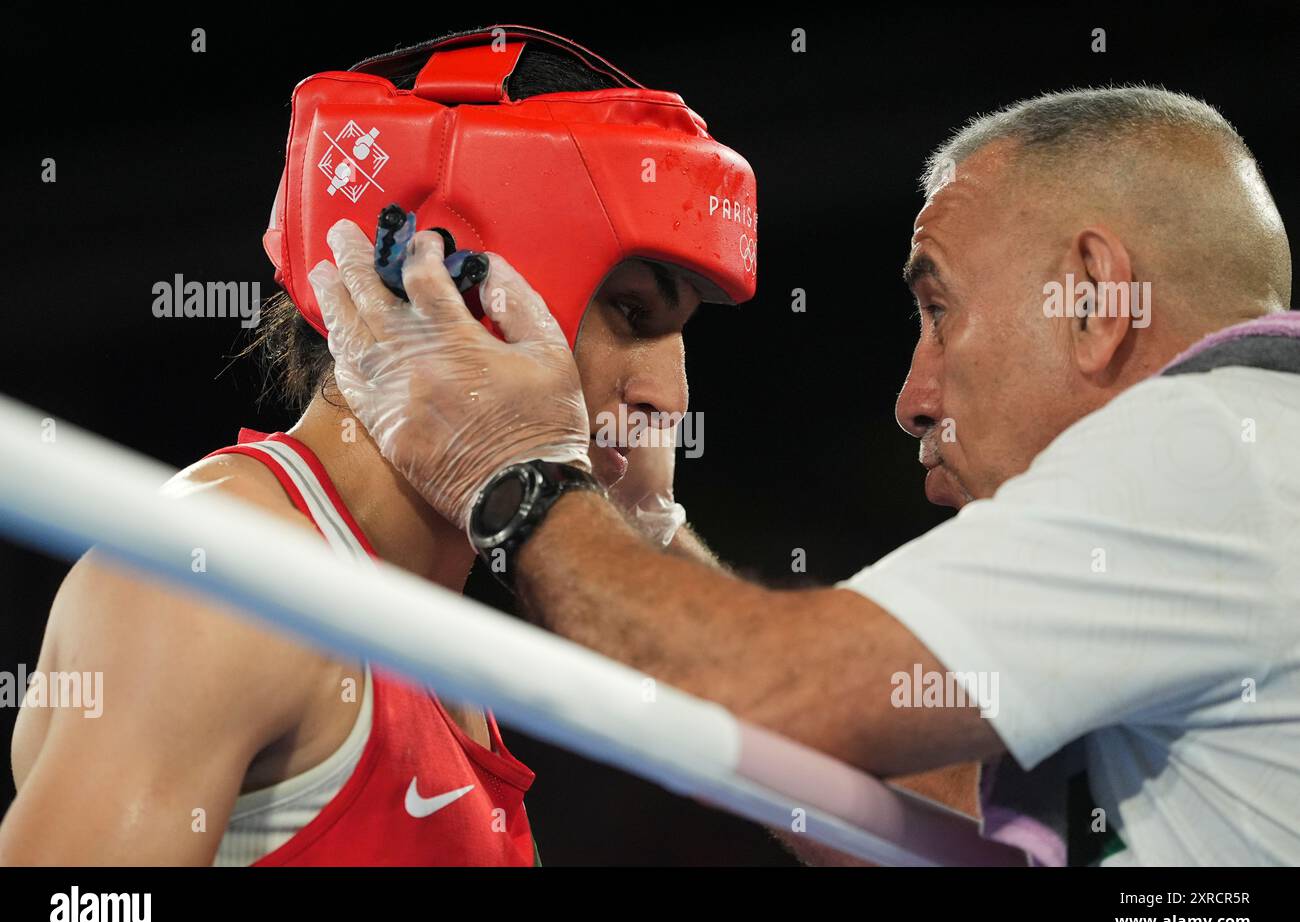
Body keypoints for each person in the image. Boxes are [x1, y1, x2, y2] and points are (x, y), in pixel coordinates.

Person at [316, 85, 1299, 865]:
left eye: (939, 310)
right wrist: (646, 531)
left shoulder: (1210, 452)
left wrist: (515, 478)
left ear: (1092, 296)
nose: (913, 396)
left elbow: (763, 693)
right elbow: (929, 808)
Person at [0, 35, 713, 867]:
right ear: (453, 279)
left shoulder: (433, 644)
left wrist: (642, 547)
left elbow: (782, 714)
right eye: (632, 314)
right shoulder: (220, 575)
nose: (672, 396)